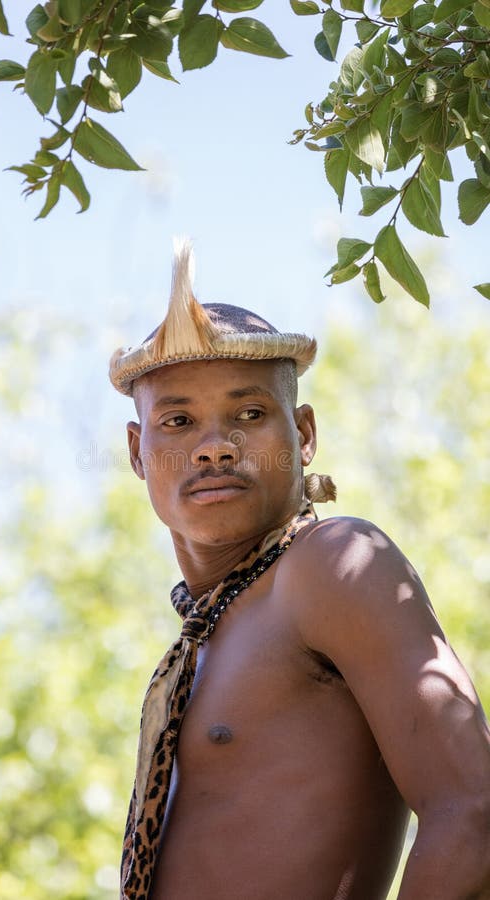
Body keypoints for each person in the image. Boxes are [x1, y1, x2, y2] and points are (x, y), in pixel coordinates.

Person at [109, 240, 490, 900]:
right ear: (139, 451)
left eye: (249, 414)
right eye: (178, 420)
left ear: (304, 433)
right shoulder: (208, 640)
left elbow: (475, 814)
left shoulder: (332, 565)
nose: (213, 447)